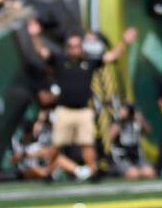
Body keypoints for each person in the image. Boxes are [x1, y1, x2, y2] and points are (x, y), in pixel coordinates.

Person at [32, 25, 137, 182]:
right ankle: (48, 171)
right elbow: (42, 52)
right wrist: (35, 36)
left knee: (87, 143)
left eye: (77, 46)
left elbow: (111, 56)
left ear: (81, 47)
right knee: (56, 144)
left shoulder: (89, 62)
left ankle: (93, 172)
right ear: (67, 47)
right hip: (64, 110)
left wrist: (124, 42)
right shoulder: (61, 61)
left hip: (83, 110)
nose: (74, 49)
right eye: (71, 46)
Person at [107, 103, 154, 180]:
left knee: (149, 172)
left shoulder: (136, 122)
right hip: (121, 157)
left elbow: (148, 130)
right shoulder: (117, 122)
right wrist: (120, 119)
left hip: (136, 155)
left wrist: (140, 118)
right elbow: (110, 136)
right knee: (133, 173)